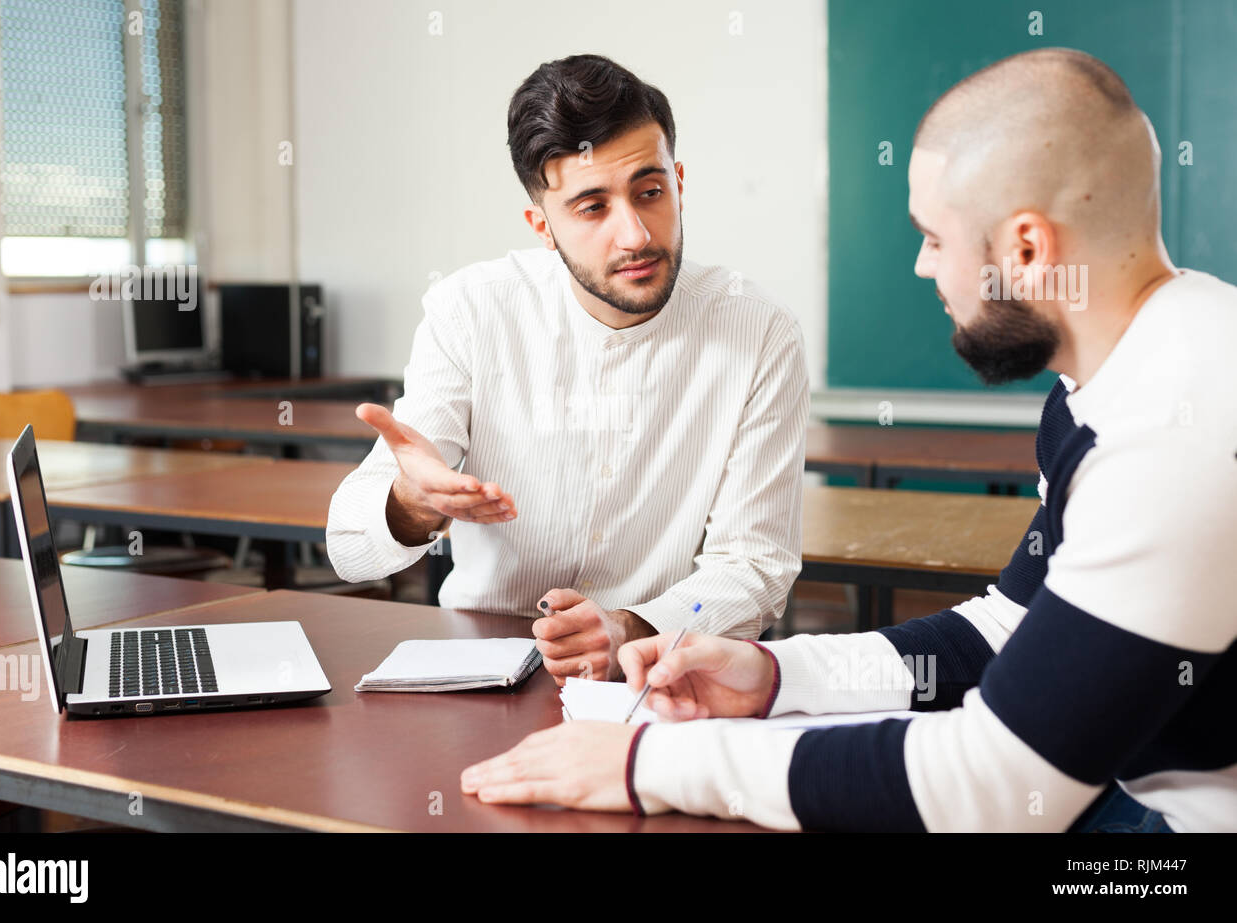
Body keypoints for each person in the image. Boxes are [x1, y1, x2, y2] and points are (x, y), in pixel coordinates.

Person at [460, 48, 1237, 832]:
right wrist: (769, 673)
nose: (922, 265)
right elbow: (1010, 627)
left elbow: (995, 786)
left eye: (935, 237)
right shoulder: (1131, 371)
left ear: (1027, 250)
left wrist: (644, 764)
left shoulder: (1174, 438)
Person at [326, 54, 809, 685]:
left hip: (656, 673)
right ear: (543, 226)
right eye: (591, 207)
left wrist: (633, 625)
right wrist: (413, 503)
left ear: (679, 182)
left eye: (650, 192)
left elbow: (754, 564)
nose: (635, 234)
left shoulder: (759, 331)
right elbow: (350, 549)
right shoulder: (470, 310)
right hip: (479, 671)